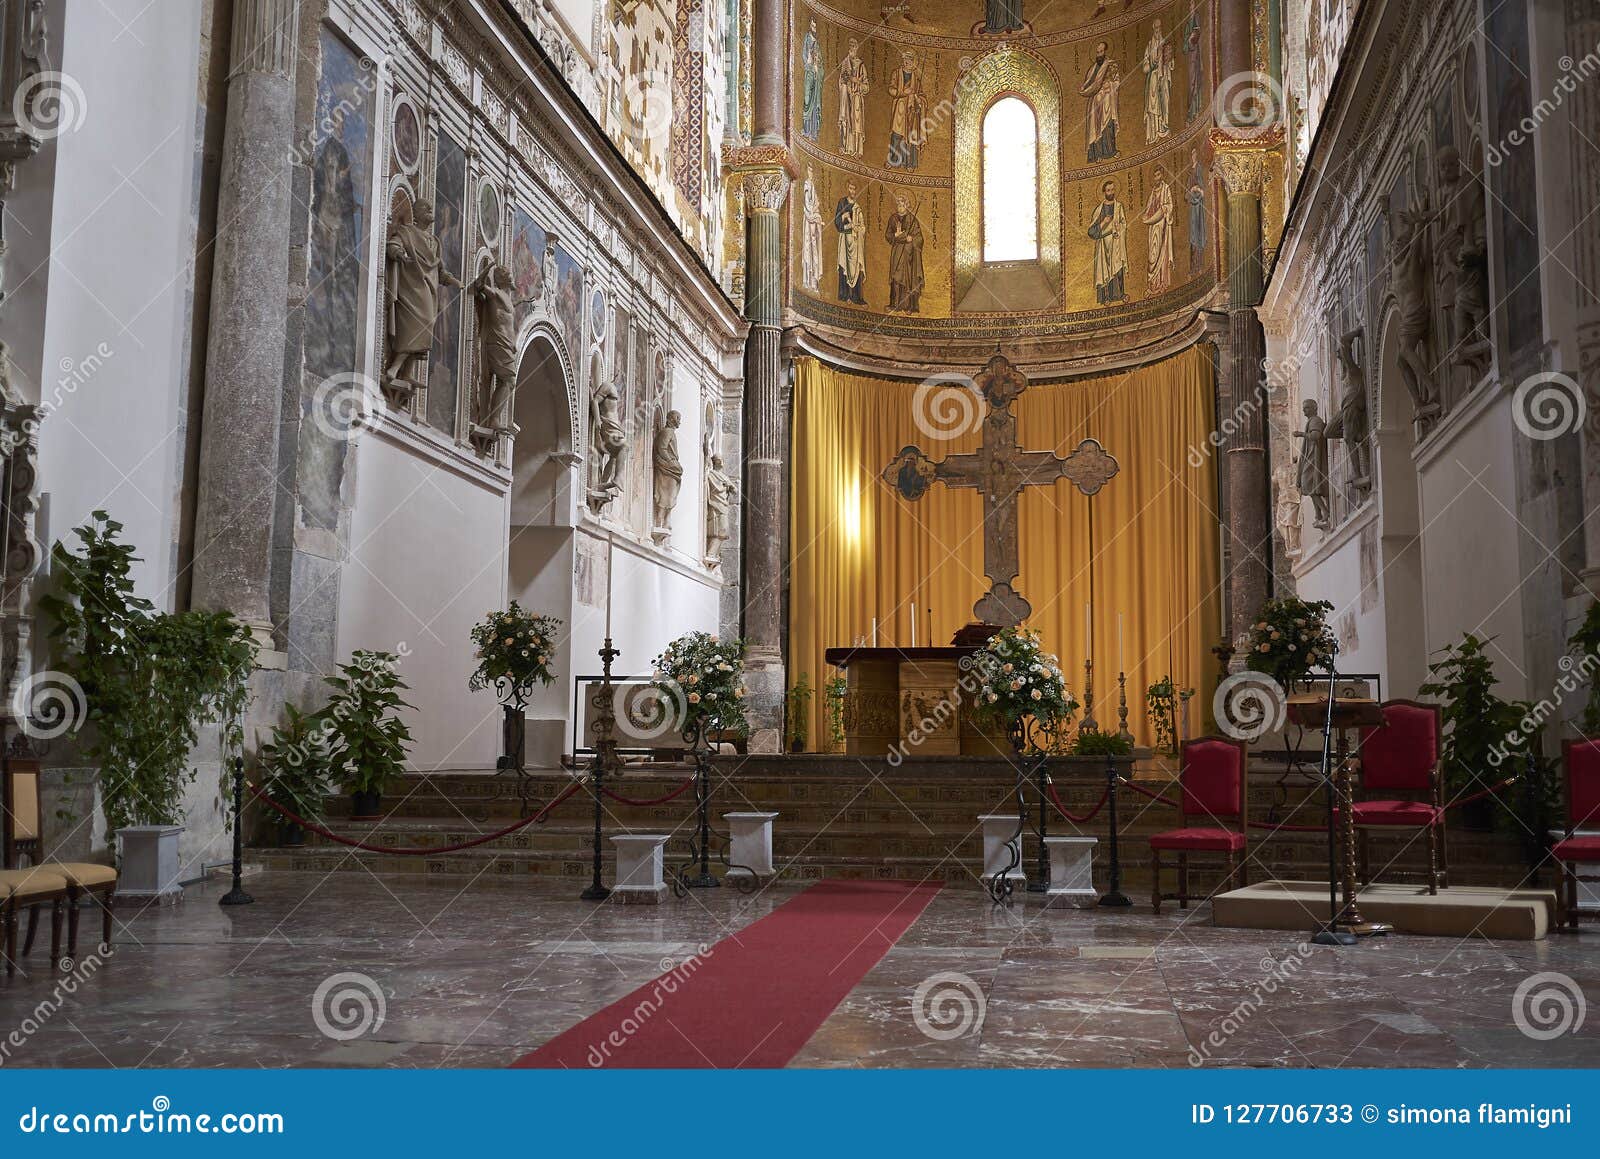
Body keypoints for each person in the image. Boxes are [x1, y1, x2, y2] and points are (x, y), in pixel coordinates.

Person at [885, 195, 924, 313]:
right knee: (895, 277)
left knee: (908, 279)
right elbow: (888, 235)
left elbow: (919, 238)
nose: (900, 207)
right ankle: (894, 304)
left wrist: (911, 239)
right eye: (898, 205)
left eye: (902, 205)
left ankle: (908, 306)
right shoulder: (893, 218)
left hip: (908, 255)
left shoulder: (912, 219)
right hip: (897, 252)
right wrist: (896, 236)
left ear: (907, 206)